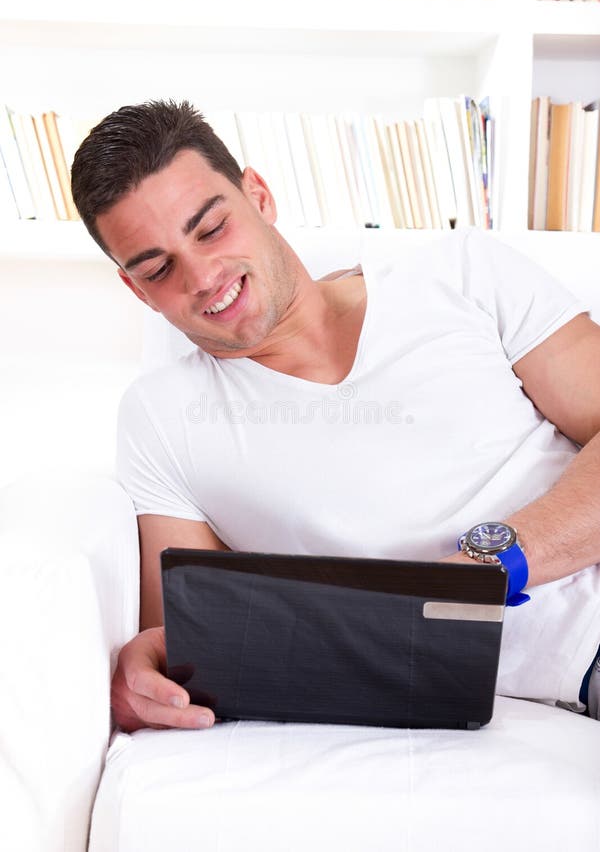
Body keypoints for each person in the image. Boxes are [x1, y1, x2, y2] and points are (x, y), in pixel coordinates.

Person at [71, 99, 600, 733]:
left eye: (211, 230)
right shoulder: (163, 418)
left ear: (259, 196)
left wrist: (489, 569)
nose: (204, 277)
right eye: (159, 269)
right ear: (135, 289)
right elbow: (188, 636)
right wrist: (145, 665)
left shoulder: (461, 273)